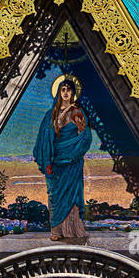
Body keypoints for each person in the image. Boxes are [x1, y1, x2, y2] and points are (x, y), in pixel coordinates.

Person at [33, 79, 92, 243]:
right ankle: (56, 230)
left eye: (68, 89)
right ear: (58, 92)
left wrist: (81, 129)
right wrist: (48, 160)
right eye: (62, 89)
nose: (65, 92)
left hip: (72, 162)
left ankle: (72, 230)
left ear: (73, 93)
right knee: (54, 196)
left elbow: (85, 137)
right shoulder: (51, 114)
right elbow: (44, 140)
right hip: (54, 162)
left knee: (71, 196)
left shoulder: (77, 112)